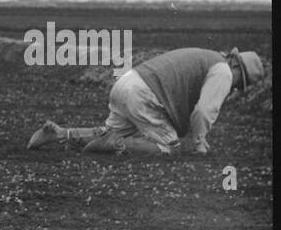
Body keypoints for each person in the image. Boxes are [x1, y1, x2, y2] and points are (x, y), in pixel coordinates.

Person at [26, 46, 265, 157]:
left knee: (109, 130)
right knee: (170, 148)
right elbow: (203, 111)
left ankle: (59, 134)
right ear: (236, 67)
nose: (234, 88)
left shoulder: (207, 57)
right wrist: (199, 142)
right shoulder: (223, 71)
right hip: (144, 94)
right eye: (238, 84)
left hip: (128, 82)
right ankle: (114, 144)